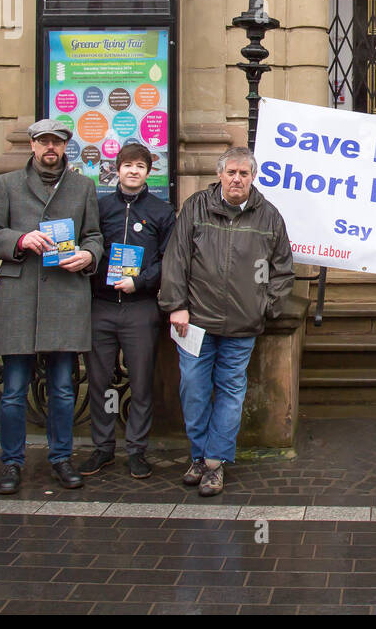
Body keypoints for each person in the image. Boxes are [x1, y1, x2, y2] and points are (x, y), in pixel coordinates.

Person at [159, 146, 294, 496]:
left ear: (252, 178)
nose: (237, 179)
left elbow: (282, 270)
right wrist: (176, 305)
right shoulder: (195, 208)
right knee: (194, 389)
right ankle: (200, 455)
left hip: (242, 325)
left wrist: (265, 306)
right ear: (220, 175)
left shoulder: (269, 217)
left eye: (244, 174)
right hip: (196, 322)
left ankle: (214, 463)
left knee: (231, 394)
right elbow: (176, 258)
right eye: (231, 172)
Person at [0, 119, 103, 494]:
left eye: (58, 142)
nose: (51, 148)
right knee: (15, 390)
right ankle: (12, 462)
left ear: (66, 146)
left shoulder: (83, 186)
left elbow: (95, 235)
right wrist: (19, 240)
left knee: (64, 388)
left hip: (65, 297)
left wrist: (88, 255)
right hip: (20, 298)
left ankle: (61, 458)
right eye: (43, 141)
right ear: (32, 146)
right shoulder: (7, 185)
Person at [81, 142, 175, 480]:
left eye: (140, 166)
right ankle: (103, 447)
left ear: (150, 171)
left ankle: (136, 449)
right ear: (116, 170)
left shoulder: (162, 211)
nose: (133, 171)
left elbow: (170, 260)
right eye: (127, 165)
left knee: (141, 383)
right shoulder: (100, 206)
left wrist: (141, 282)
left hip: (140, 308)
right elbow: (86, 245)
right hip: (101, 306)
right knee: (100, 382)